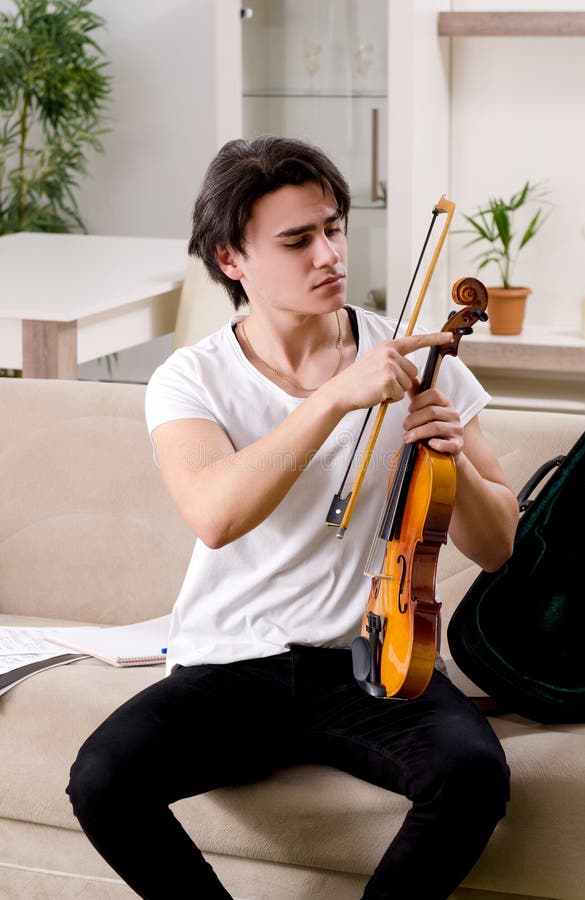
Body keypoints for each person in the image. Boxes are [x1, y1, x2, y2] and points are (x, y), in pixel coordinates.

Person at [67, 135, 519, 900]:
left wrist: (451, 456)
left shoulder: (417, 356)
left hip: (372, 660)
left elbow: (499, 541)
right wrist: (336, 397)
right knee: (102, 779)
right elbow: (215, 514)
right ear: (232, 259)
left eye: (334, 228)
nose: (329, 254)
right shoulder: (191, 379)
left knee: (473, 774)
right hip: (228, 660)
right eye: (298, 239)